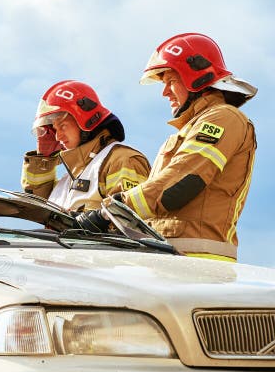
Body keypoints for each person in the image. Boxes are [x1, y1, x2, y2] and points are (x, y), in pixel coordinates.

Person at [82, 33, 257, 261]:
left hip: (201, 262)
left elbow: (178, 185)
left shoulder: (223, 117)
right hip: (171, 258)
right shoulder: (188, 130)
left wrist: (110, 210)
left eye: (171, 82)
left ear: (196, 78)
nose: (164, 93)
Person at [22, 80, 151, 213]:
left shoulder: (122, 160)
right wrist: (44, 157)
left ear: (85, 120)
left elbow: (129, 222)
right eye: (55, 129)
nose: (57, 137)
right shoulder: (72, 176)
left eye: (63, 126)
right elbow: (38, 209)